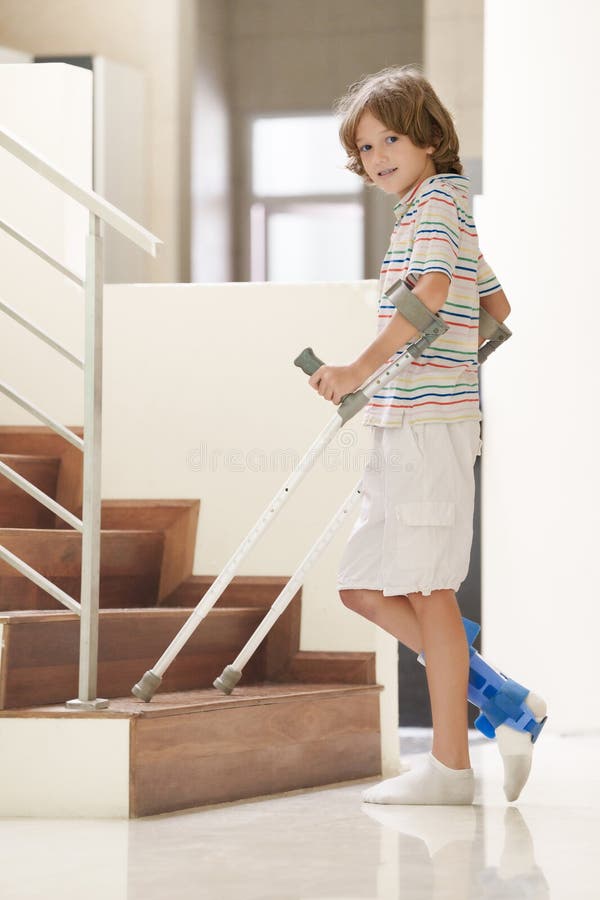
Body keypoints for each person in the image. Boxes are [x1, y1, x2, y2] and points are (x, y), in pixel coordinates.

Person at [307, 65, 547, 805]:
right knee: (361, 586)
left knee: (428, 589)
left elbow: (435, 294)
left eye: (391, 139)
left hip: (424, 429)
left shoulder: (440, 200)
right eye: (366, 146)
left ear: (429, 138)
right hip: (407, 419)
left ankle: (449, 767)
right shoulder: (426, 208)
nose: (377, 156)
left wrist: (361, 369)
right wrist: (433, 367)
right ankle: (504, 698)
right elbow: (495, 306)